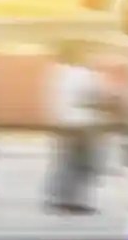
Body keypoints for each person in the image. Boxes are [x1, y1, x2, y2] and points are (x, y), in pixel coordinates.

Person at [45, 40, 109, 214]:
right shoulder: (83, 74)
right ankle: (75, 201)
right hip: (82, 125)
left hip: (62, 125)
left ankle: (59, 200)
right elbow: (95, 97)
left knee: (64, 164)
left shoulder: (55, 74)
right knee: (82, 165)